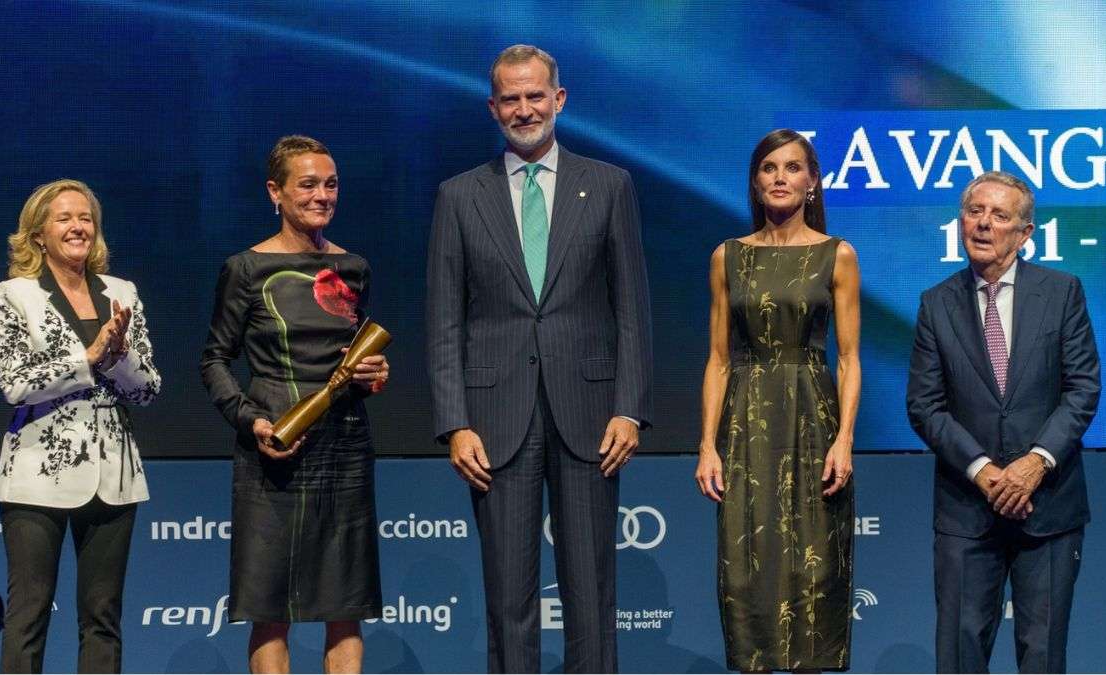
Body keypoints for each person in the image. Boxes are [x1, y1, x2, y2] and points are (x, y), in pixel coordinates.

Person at [425, 44, 652, 673]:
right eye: (510, 98)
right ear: (492, 107)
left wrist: (630, 409)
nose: (524, 109)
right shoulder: (459, 196)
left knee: (592, 596)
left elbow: (632, 307)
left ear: (559, 99)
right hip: (494, 422)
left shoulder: (608, 186)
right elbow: (444, 319)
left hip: (591, 416)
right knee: (508, 600)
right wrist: (456, 422)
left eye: (535, 95)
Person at [200, 135, 390, 674]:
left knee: (345, 607)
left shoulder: (354, 266)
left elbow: (355, 363)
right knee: (269, 609)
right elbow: (214, 360)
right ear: (275, 192)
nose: (322, 195)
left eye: (330, 184)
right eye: (307, 184)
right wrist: (251, 421)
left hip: (345, 447)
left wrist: (373, 374)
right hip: (274, 447)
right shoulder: (246, 269)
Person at [907, 171, 1099, 673]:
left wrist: (1035, 463)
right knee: (960, 656)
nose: (984, 224)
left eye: (1000, 215)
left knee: (1042, 656)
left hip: (1049, 506)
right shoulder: (935, 303)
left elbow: (1082, 389)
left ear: (1025, 233)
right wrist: (984, 471)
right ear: (959, 222)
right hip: (967, 511)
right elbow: (925, 405)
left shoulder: (1062, 292)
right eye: (975, 212)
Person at [695, 129, 860, 672]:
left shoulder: (837, 254)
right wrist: (707, 446)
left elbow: (849, 359)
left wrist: (844, 441)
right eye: (769, 168)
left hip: (813, 418)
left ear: (812, 182)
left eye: (793, 168)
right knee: (746, 571)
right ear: (755, 181)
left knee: (816, 571)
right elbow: (718, 359)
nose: (780, 177)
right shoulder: (727, 256)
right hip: (746, 424)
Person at [0, 179, 160, 673]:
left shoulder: (121, 293)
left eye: (85, 218)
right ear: (40, 233)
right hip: (36, 473)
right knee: (29, 614)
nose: (77, 226)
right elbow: (16, 383)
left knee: (102, 618)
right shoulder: (17, 294)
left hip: (115, 478)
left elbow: (147, 389)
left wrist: (119, 354)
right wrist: (88, 356)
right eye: (64, 218)